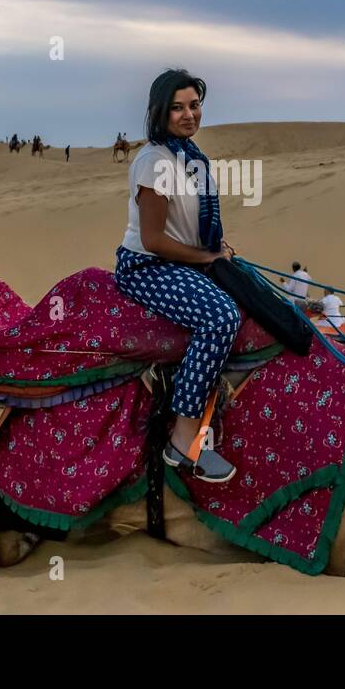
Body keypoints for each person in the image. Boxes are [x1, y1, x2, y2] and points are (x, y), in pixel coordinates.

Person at [114, 68, 240, 482]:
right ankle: (184, 441)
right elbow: (153, 240)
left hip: (184, 261)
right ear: (159, 113)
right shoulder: (155, 161)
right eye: (177, 108)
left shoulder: (190, 157)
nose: (189, 115)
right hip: (149, 267)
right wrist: (206, 259)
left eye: (194, 105)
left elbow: (188, 228)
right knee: (220, 317)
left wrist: (216, 254)